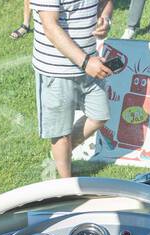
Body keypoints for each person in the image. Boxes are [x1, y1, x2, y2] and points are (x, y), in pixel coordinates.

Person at [32, 0, 114, 179]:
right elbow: (50, 27)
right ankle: (67, 184)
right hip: (57, 69)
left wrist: (105, 18)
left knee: (100, 116)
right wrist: (85, 62)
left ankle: (60, 155)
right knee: (61, 134)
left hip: (90, 63)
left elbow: (106, 2)